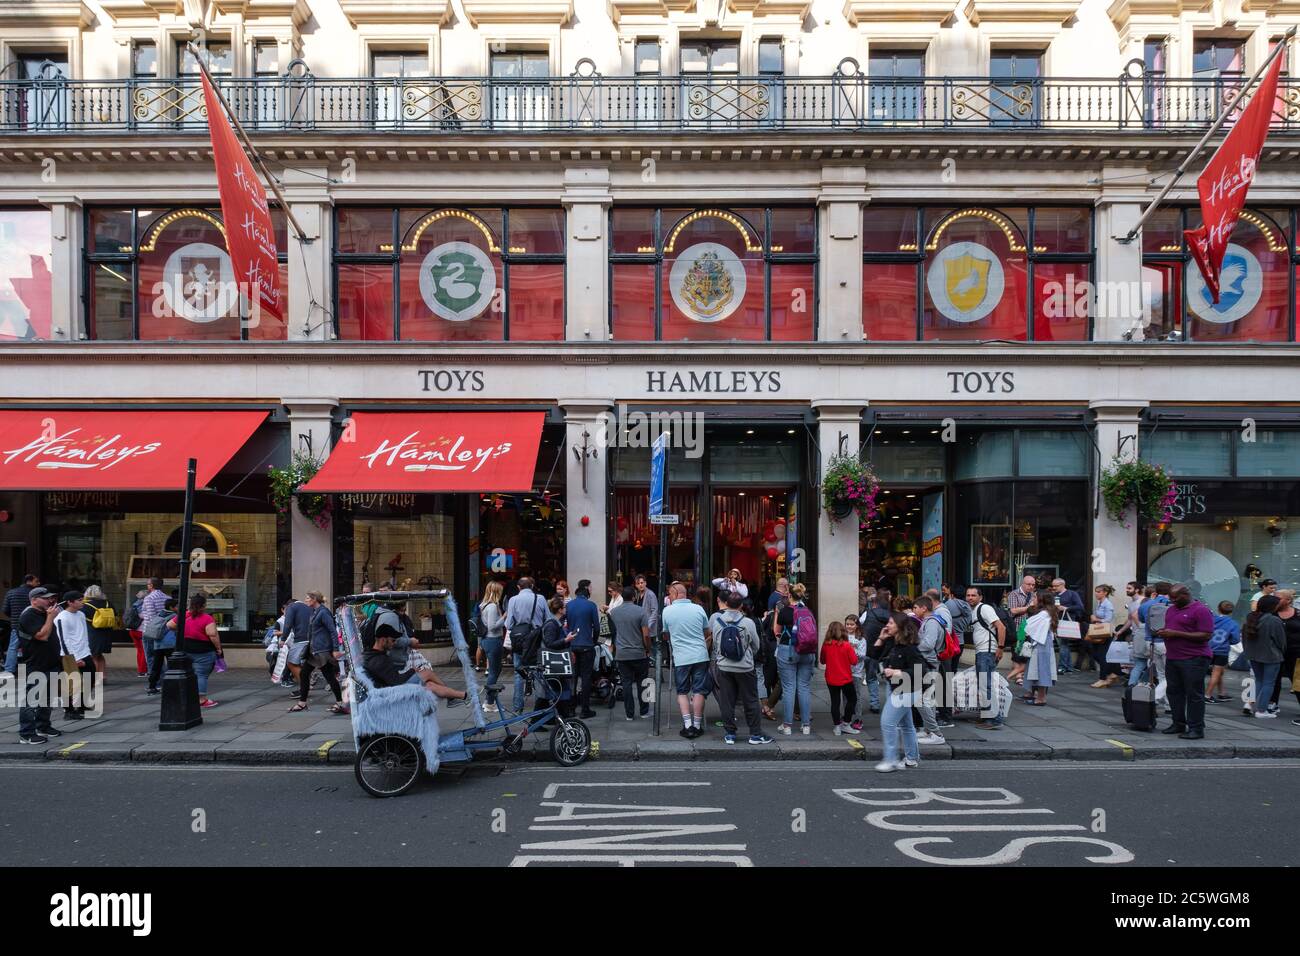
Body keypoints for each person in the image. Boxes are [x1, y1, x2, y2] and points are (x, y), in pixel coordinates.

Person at [709, 591, 771, 745]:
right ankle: (755, 734)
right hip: (745, 667)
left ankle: (730, 733)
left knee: (727, 701)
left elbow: (716, 645)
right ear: (741, 605)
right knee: (750, 700)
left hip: (724, 667)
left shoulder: (717, 621)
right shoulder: (748, 623)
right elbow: (756, 645)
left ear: (727, 604)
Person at [1156, 583, 1214, 739]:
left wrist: (1175, 633)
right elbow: (1172, 629)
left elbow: (1206, 635)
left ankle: (1196, 727)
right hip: (1174, 657)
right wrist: (1164, 633)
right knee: (1174, 692)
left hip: (1194, 658)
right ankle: (1178, 723)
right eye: (1171, 597)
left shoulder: (1201, 610)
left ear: (1185, 595)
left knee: (1194, 693)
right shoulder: (1171, 610)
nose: (1172, 600)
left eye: (1175, 598)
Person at [362, 628, 469, 705]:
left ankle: (463, 696)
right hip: (393, 691)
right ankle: (457, 697)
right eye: (392, 640)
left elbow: (391, 675)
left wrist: (410, 671)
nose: (393, 644)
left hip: (392, 686)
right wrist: (412, 671)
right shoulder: (378, 660)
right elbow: (395, 682)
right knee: (427, 672)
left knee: (430, 685)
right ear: (383, 640)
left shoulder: (376, 655)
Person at [874, 612, 924, 773]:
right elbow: (873, 656)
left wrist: (896, 672)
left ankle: (891, 760)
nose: (887, 625)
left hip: (906, 689)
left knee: (887, 723)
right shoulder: (892, 642)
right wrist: (881, 638)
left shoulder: (909, 648)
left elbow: (920, 670)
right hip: (896, 688)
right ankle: (911, 759)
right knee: (906, 725)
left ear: (900, 627)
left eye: (891, 623)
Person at [661, 582, 712, 738]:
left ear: (675, 594)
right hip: (700, 655)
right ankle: (697, 725)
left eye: (670, 594)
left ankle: (688, 725)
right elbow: (707, 631)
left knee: (682, 691)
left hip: (681, 657)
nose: (669, 597)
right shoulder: (698, 609)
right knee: (699, 691)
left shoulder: (667, 611)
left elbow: (665, 635)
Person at [15, 587, 62, 744]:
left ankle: (43, 726)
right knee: (31, 699)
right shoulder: (28, 615)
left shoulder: (44, 613)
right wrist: (50, 617)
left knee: (47, 698)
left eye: (50, 597)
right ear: (34, 600)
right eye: (45, 598)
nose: (49, 600)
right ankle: (26, 733)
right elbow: (42, 636)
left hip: (50, 663)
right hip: (35, 664)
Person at [165, 592, 224, 709]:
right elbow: (212, 634)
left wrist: (180, 630)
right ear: (203, 606)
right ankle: (201, 699)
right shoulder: (207, 618)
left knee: (188, 674)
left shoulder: (184, 615)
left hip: (186, 648)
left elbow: (169, 625)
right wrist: (218, 648)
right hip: (203, 650)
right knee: (201, 675)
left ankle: (189, 697)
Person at [773, 582, 816, 736]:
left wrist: (777, 613)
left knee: (789, 688)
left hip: (789, 650)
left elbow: (776, 631)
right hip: (807, 651)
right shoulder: (808, 611)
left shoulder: (784, 611)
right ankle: (806, 726)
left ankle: (787, 725)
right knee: (804, 687)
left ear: (789, 595)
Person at [289, 591, 342, 713]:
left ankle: (340, 702)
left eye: (308, 598)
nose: (306, 600)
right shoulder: (315, 612)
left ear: (314, 600)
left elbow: (333, 631)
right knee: (304, 674)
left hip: (322, 651)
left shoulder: (323, 613)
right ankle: (302, 702)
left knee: (329, 677)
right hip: (314, 651)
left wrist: (335, 649)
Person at [504, 576, 548, 714]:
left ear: (518, 587)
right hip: (536, 640)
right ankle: (538, 707)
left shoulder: (513, 600)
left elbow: (509, 624)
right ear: (532, 586)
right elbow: (548, 619)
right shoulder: (540, 599)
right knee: (537, 672)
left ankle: (518, 707)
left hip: (520, 641)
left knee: (519, 673)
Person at [966, 585, 1007, 729]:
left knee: (985, 686)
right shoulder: (975, 610)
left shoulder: (985, 609)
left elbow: (1001, 627)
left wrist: (1000, 648)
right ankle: (986, 717)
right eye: (968, 595)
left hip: (987, 652)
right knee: (983, 686)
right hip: (981, 652)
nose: (970, 597)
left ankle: (994, 720)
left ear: (980, 597)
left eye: (973, 595)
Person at [610, 585, 652, 720]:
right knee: (644, 682)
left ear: (622, 597)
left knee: (626, 683)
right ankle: (644, 711)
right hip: (639, 652)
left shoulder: (615, 612)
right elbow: (646, 635)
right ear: (634, 597)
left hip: (622, 653)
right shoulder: (641, 611)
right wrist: (648, 649)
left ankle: (629, 714)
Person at [1242, 594, 1285, 719]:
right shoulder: (1274, 620)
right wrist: (1282, 652)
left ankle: (1249, 704)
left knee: (1259, 680)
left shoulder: (1250, 617)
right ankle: (1261, 710)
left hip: (1253, 655)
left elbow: (1245, 638)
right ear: (1272, 607)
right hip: (1271, 655)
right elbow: (1281, 641)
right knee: (1269, 683)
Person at [55, 592, 94, 721]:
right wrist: (74, 658)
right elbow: (63, 639)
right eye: (79, 600)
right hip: (70, 654)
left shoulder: (81, 614)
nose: (82, 602)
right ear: (70, 602)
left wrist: (87, 651)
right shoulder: (62, 617)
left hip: (85, 652)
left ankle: (82, 705)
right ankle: (69, 710)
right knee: (70, 684)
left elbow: (84, 634)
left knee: (90, 678)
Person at [564, 581, 601, 719]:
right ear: (587, 594)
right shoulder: (591, 605)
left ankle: (571, 708)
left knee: (573, 677)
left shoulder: (569, 605)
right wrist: (594, 641)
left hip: (572, 645)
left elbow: (565, 624)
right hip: (586, 645)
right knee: (586, 677)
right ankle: (585, 709)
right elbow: (596, 627)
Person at [912, 596, 946, 744]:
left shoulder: (932, 622)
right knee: (927, 700)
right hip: (928, 663)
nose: (914, 611)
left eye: (915, 608)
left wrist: (912, 649)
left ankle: (936, 734)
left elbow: (928, 644)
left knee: (922, 700)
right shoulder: (931, 621)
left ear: (924, 608)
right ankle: (929, 731)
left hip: (928, 664)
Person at [820, 620, 860, 736]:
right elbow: (854, 661)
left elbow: (822, 661)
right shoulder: (847, 645)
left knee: (835, 702)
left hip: (831, 677)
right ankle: (846, 723)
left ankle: (837, 726)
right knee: (852, 699)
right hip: (845, 678)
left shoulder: (826, 645)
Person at [1022, 589, 1060, 705]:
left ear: (1041, 600)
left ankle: (1041, 698)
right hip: (1041, 643)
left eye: (1035, 597)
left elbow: (1027, 625)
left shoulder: (1044, 614)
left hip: (1042, 645)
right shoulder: (1045, 612)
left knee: (1042, 669)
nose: (1033, 599)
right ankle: (1035, 694)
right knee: (1036, 668)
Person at [858, 590, 891, 715]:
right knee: (880, 678)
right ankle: (881, 705)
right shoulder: (890, 616)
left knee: (864, 678)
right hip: (881, 652)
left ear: (875, 604)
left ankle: (867, 704)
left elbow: (858, 624)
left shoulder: (868, 613)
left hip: (866, 649)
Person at [1270, 589, 1300, 720]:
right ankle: (1272, 704)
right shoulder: (1271, 614)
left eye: (1278, 598)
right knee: (1273, 680)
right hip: (1275, 652)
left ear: (1288, 600)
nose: (1275, 600)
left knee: (1297, 681)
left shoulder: (1298, 614)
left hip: (1296, 652)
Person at [477, 581, 506, 714]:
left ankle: (489, 701)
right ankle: (489, 703)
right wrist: (504, 617)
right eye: (500, 591)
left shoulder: (484, 605)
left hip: (486, 640)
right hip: (493, 640)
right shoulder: (493, 606)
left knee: (495, 670)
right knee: (494, 672)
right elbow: (492, 626)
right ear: (496, 592)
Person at [3, 572, 39, 675]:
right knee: (34, 647)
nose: (38, 583)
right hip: (34, 624)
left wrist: (14, 617)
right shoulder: (36, 595)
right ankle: (33, 669)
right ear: (29, 581)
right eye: (36, 581)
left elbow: (5, 610)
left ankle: (9, 670)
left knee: (13, 648)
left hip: (16, 624)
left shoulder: (11, 592)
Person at [1205, 600, 1240, 704]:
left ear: (1218, 609)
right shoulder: (1232, 623)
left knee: (1219, 672)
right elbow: (1235, 639)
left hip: (1208, 648)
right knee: (1216, 672)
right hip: (1222, 650)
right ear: (1231, 611)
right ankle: (1207, 695)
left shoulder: (1211, 619)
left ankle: (1222, 693)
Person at [1088, 584, 1122, 688]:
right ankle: (1114, 672)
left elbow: (1108, 619)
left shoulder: (1108, 604)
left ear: (1105, 593)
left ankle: (1103, 678)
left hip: (1105, 632)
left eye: (1099, 592)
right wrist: (1093, 616)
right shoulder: (1100, 603)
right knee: (1096, 654)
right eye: (1096, 591)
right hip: (1098, 631)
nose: (1096, 593)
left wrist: (1096, 619)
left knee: (1102, 656)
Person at [140, 576, 170, 687]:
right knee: (161, 656)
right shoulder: (167, 598)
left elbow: (152, 617)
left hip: (150, 631)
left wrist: (143, 615)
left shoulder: (149, 598)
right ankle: (164, 680)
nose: (147, 586)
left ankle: (156, 682)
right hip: (165, 630)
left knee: (152, 657)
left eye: (148, 584)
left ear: (151, 586)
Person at [1006, 575, 1037, 685]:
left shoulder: (1033, 595)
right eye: (1029, 584)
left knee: (1026, 652)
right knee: (1017, 651)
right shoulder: (1014, 594)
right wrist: (1030, 607)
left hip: (1029, 628)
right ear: (1022, 584)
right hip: (1017, 627)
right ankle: (1018, 676)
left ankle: (1020, 674)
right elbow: (1013, 611)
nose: (1031, 586)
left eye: (1033, 585)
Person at [80, 584, 113, 680]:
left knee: (93, 656)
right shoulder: (107, 603)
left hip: (93, 633)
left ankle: (95, 679)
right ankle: (103, 676)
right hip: (106, 633)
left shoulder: (85, 605)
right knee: (100, 655)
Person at [1051, 578, 1085, 673]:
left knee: (1063, 644)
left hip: (1067, 622)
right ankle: (1068, 667)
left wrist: (1066, 608)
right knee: (1063, 645)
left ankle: (1062, 666)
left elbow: (1080, 607)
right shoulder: (1055, 595)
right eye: (1053, 586)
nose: (1054, 588)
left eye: (1056, 586)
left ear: (1062, 585)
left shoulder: (1072, 594)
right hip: (1056, 621)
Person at [844, 614, 869, 731]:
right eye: (847, 624)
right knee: (845, 696)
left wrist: (852, 648)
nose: (849, 626)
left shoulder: (861, 639)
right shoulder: (843, 637)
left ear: (857, 625)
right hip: (844, 671)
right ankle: (846, 717)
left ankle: (858, 718)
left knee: (856, 696)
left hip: (856, 672)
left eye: (852, 624)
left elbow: (863, 655)